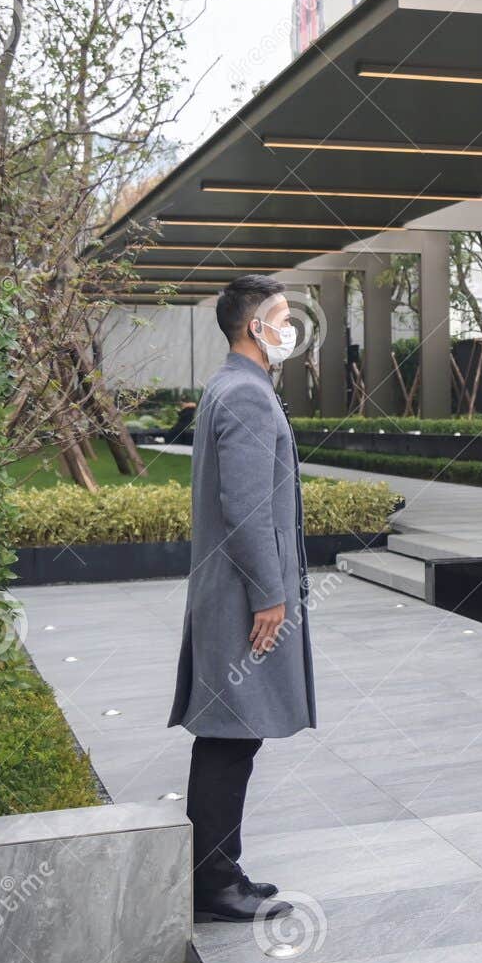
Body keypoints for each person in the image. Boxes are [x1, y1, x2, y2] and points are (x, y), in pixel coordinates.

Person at [169, 274, 311, 923]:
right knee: (230, 734)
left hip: (228, 588)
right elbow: (248, 507)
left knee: (235, 732)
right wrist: (270, 595)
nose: (291, 328)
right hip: (241, 594)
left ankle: (221, 868)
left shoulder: (230, 386)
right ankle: (213, 883)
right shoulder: (248, 396)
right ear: (255, 327)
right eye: (283, 317)